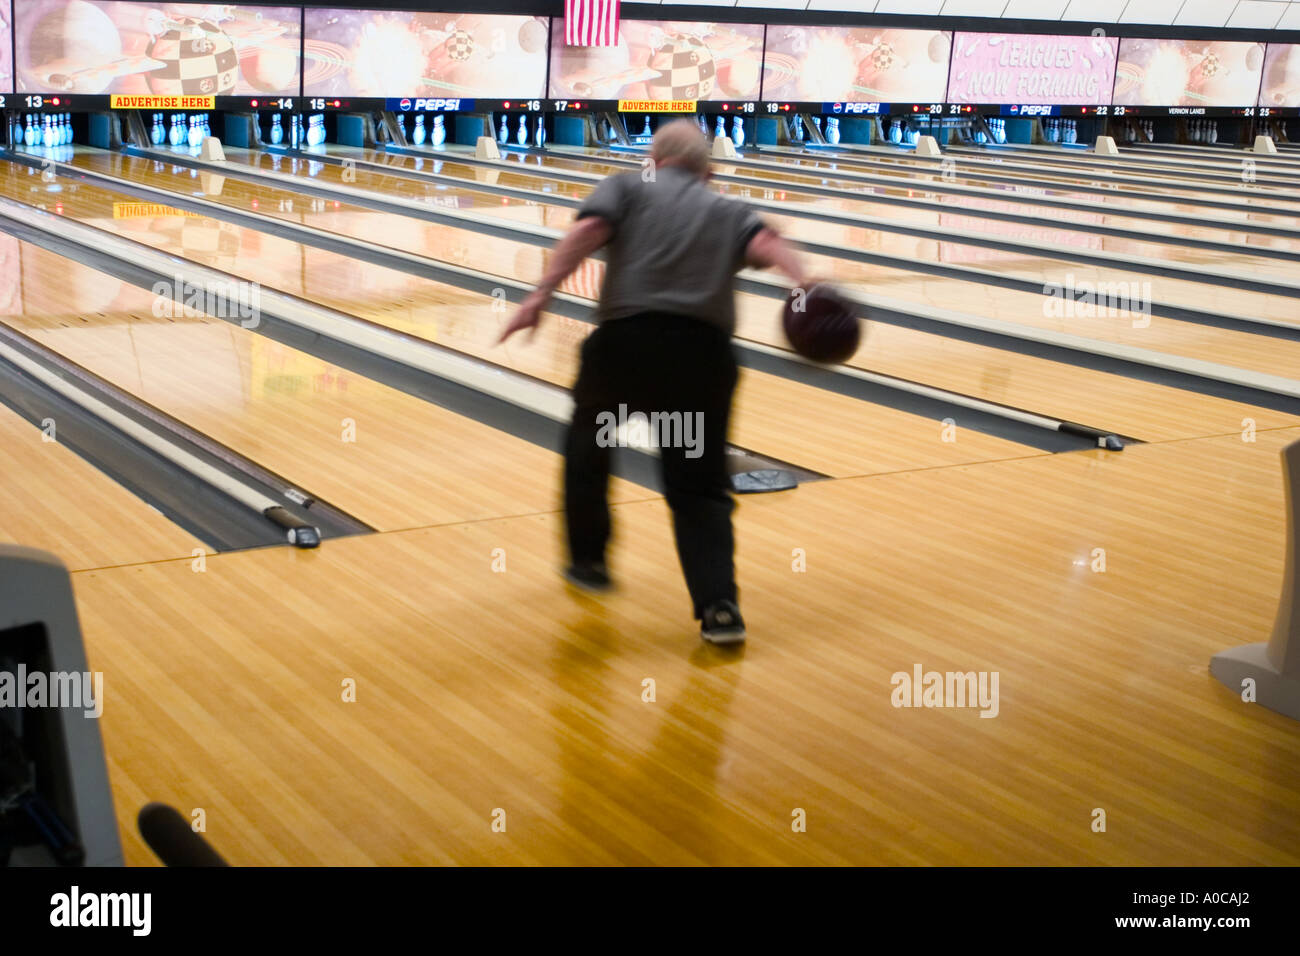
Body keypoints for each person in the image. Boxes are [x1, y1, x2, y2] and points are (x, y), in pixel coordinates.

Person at [498, 119, 805, 644]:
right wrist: (807, 289)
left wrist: (539, 296)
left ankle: (590, 561)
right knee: (698, 487)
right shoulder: (727, 209)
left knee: (589, 447)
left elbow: (587, 233)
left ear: (654, 160)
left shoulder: (626, 186)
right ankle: (719, 606)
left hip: (625, 352)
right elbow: (769, 246)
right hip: (700, 361)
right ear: (708, 170)